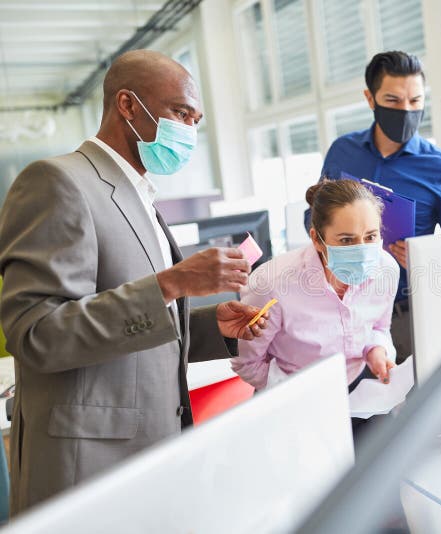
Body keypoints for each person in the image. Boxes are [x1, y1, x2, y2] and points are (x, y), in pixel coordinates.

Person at [0, 50, 267, 514]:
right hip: (87, 464)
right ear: (127, 104)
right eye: (180, 113)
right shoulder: (57, 182)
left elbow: (136, 322)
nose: (189, 131)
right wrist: (172, 283)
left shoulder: (139, 192)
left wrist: (208, 327)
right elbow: (36, 334)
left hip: (147, 451)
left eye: (196, 120)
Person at [307, 50, 441, 363]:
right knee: (350, 407)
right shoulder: (343, 152)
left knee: (414, 405)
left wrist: (425, 261)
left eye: (415, 101)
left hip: (405, 315)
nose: (406, 110)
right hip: (339, 310)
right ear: (371, 99)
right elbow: (313, 215)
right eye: (393, 101)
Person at [233, 179, 399, 392]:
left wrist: (376, 350)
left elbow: (379, 327)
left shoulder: (386, 269)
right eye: (347, 240)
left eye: (371, 236)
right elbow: (247, 363)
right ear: (317, 239)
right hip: (293, 394)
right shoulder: (271, 284)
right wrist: (305, 395)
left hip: (357, 385)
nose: (363, 251)